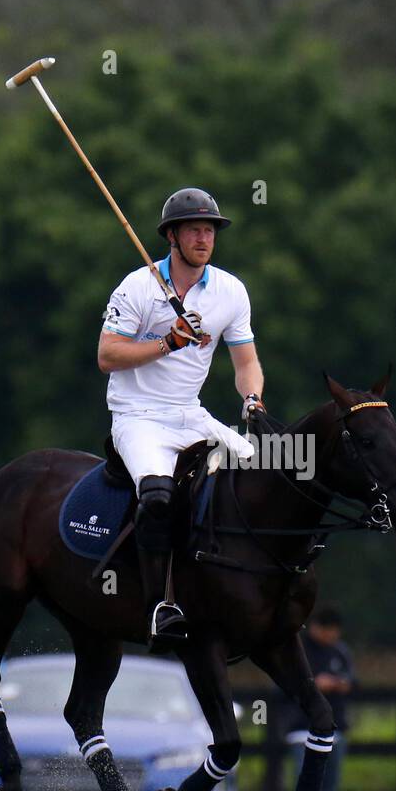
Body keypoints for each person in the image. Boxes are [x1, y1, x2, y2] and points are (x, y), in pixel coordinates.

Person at [97, 187, 265, 649]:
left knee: (267, 472)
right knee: (157, 496)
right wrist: (166, 343)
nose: (203, 237)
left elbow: (246, 362)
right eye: (193, 228)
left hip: (190, 414)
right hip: (138, 417)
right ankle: (160, 606)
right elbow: (107, 356)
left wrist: (252, 400)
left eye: (209, 229)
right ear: (171, 235)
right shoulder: (138, 286)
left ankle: (253, 587)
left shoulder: (231, 291)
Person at [274, 607, 356, 791]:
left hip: (336, 730)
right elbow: (280, 687)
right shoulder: (298, 652)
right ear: (317, 627)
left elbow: (353, 681)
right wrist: (312, 685)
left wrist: (341, 685)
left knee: (330, 784)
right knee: (306, 782)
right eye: (328, 630)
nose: (332, 636)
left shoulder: (340, 652)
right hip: (303, 730)